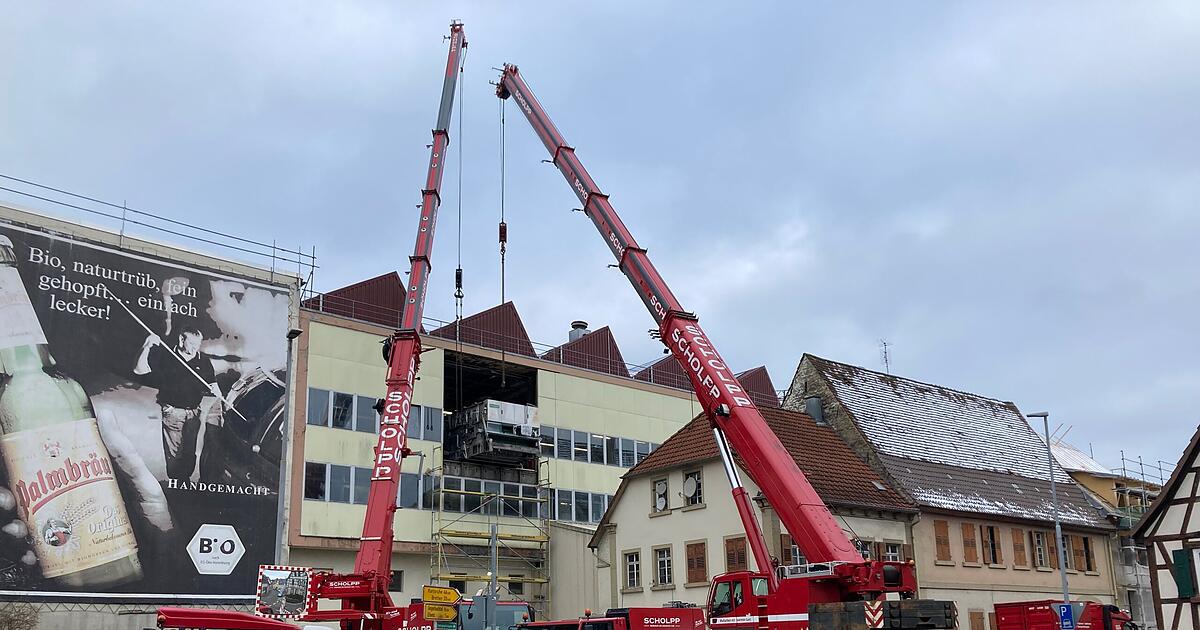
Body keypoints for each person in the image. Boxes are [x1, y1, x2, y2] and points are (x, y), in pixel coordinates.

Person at [133, 324, 220, 481]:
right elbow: (139, 370)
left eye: (198, 345)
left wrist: (216, 389)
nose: (195, 349)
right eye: (192, 344)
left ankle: (184, 480)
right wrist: (147, 347)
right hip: (173, 412)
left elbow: (212, 382)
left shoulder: (203, 361)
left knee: (190, 451)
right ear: (181, 339)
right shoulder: (166, 356)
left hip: (194, 412)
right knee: (175, 453)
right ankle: (176, 481)